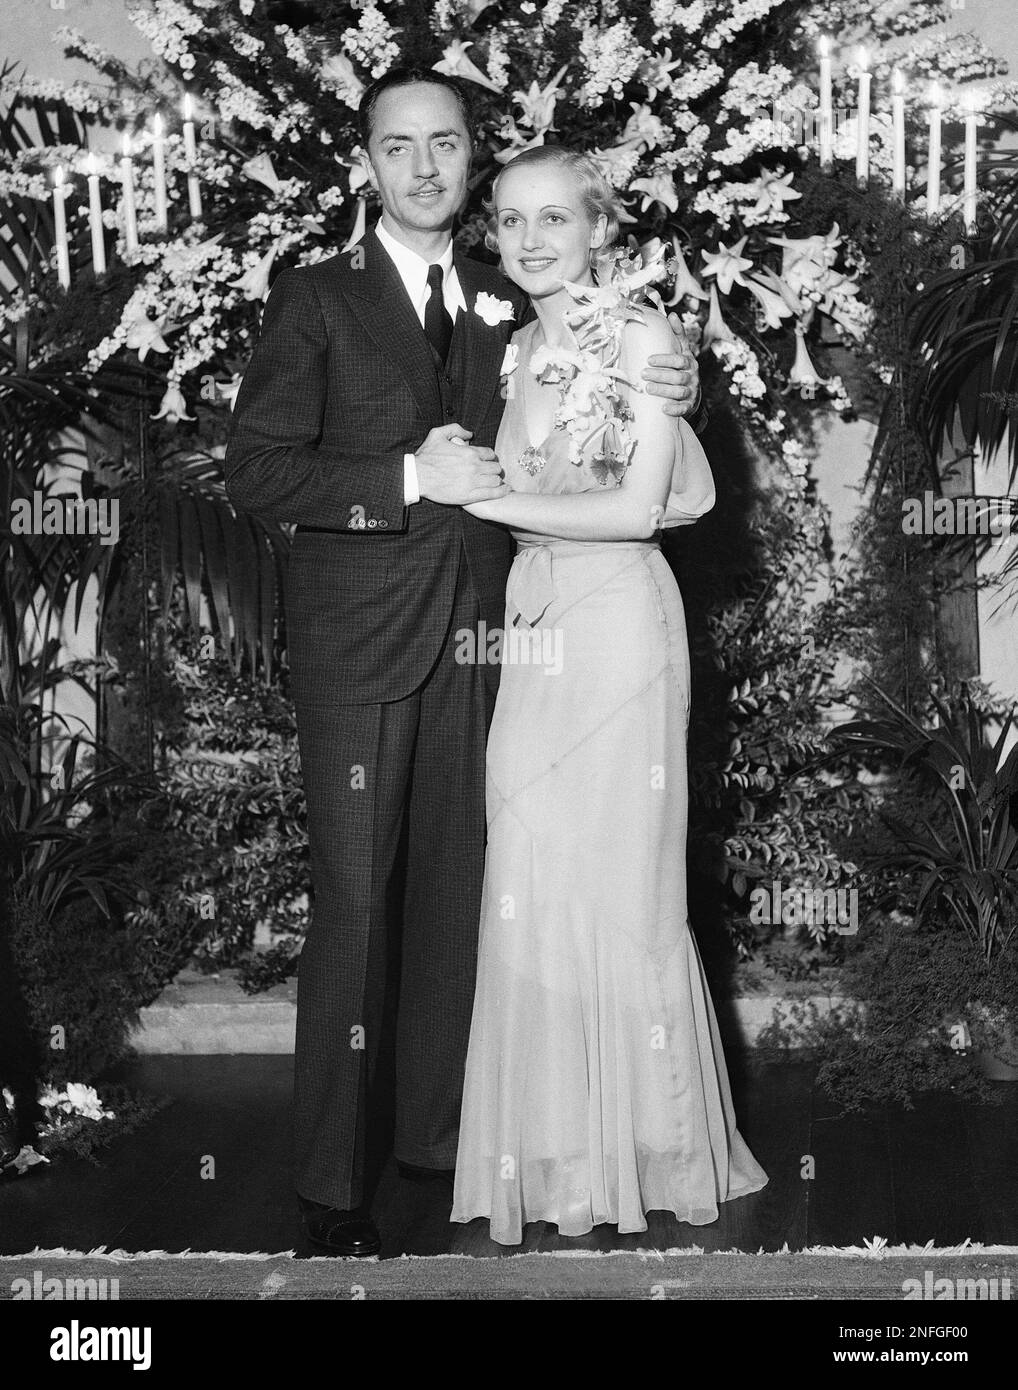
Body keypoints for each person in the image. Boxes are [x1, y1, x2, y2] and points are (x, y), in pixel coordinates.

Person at [225, 68, 703, 1257]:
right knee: (356, 908)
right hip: (361, 647)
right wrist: (399, 480)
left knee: (457, 907)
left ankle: (442, 1150)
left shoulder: (512, 296)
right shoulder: (315, 299)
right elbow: (256, 472)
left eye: (447, 146)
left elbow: (624, 407)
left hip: (503, 646)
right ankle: (331, 1190)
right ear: (369, 163)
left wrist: (672, 366)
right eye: (400, 147)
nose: (425, 168)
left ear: (471, 160)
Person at [449, 146, 768, 1245]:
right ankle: (553, 1152)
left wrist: (485, 501)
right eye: (510, 220)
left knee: (623, 886)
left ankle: (649, 1148)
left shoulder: (637, 336)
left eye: (554, 219)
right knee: (530, 871)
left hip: (621, 622)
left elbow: (637, 511)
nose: (532, 240)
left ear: (598, 229)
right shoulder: (513, 350)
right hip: (534, 622)